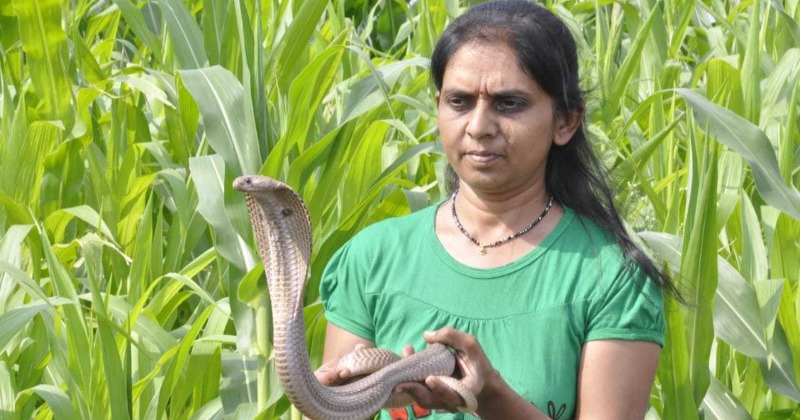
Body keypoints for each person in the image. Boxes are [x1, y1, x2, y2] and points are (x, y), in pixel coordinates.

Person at [316, 1, 677, 418]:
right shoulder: (372, 259)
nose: (478, 126)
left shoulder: (610, 278)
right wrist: (323, 402)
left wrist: (489, 395)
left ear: (565, 122)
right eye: (459, 102)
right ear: (437, 106)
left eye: (508, 104)